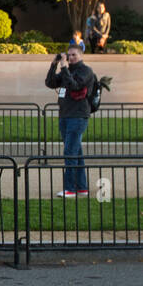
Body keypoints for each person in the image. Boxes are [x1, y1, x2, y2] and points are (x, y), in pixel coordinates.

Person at [45, 46, 97, 199]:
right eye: (69, 55)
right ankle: (82, 187)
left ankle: (70, 189)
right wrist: (54, 64)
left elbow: (74, 85)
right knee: (76, 152)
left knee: (69, 152)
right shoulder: (66, 71)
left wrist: (63, 67)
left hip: (78, 116)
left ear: (80, 55)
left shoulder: (86, 71)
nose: (71, 57)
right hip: (65, 115)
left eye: (74, 55)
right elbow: (50, 82)